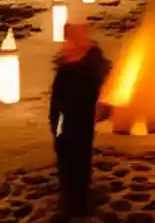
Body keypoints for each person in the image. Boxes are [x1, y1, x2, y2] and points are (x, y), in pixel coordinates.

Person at [49, 22, 111, 219]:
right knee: (71, 161)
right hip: (70, 121)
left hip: (77, 120)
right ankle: (74, 201)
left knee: (77, 161)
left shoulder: (83, 65)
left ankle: (77, 204)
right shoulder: (74, 65)